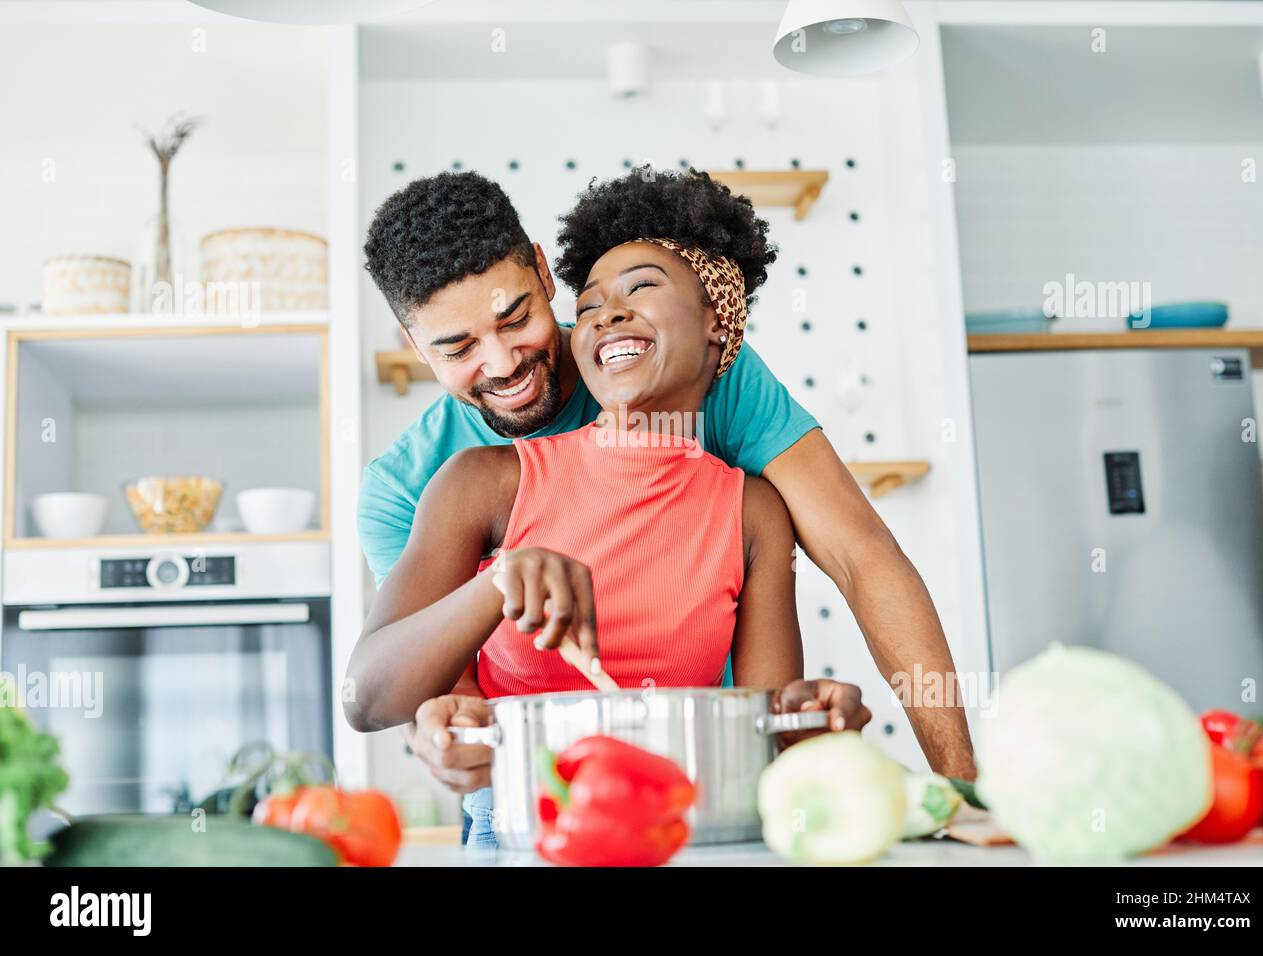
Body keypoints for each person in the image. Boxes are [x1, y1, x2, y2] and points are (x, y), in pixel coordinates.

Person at [356, 169, 975, 817]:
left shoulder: (706, 382)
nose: (504, 362)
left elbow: (861, 555)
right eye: (457, 348)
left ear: (543, 272)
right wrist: (442, 732)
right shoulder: (421, 485)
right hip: (537, 814)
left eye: (516, 320)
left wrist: (960, 788)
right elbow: (411, 694)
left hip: (708, 797)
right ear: (414, 347)